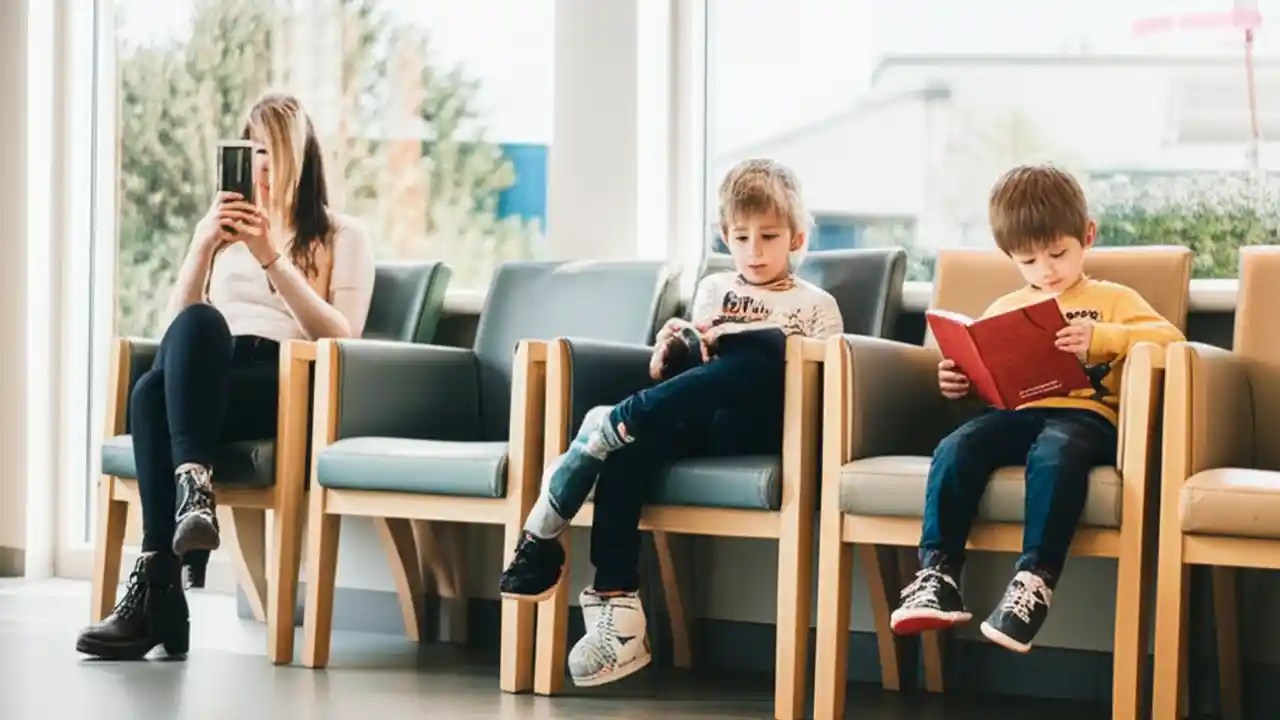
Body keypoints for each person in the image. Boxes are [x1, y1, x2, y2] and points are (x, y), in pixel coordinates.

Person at [498, 159, 844, 686]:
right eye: (740, 237)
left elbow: (834, 385)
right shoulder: (712, 289)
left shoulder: (816, 305)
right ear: (724, 236)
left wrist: (767, 345)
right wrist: (670, 355)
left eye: (768, 237)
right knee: (626, 447)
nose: (753, 251)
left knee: (761, 349)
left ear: (796, 237)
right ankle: (619, 612)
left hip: (768, 425)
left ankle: (611, 425)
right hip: (700, 414)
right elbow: (691, 374)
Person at [76, 92, 375, 660]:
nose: (260, 165)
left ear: (300, 157)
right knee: (179, 348)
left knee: (149, 394)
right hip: (211, 373)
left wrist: (270, 256)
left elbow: (342, 337)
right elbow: (177, 328)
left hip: (281, 382)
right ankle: (193, 497)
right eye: (251, 150)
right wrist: (202, 244)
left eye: (270, 151)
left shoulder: (342, 235)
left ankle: (155, 591)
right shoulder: (224, 234)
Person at [889, 164, 1183, 653]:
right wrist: (959, 379)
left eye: (1058, 253)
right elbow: (986, 370)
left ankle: (1034, 580)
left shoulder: (1110, 298)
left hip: (1085, 418)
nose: (1046, 270)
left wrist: (1103, 339)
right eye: (1028, 260)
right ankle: (938, 573)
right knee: (957, 446)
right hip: (1014, 414)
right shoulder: (1006, 306)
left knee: (1054, 451)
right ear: (1010, 257)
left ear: (1087, 236)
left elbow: (1170, 340)